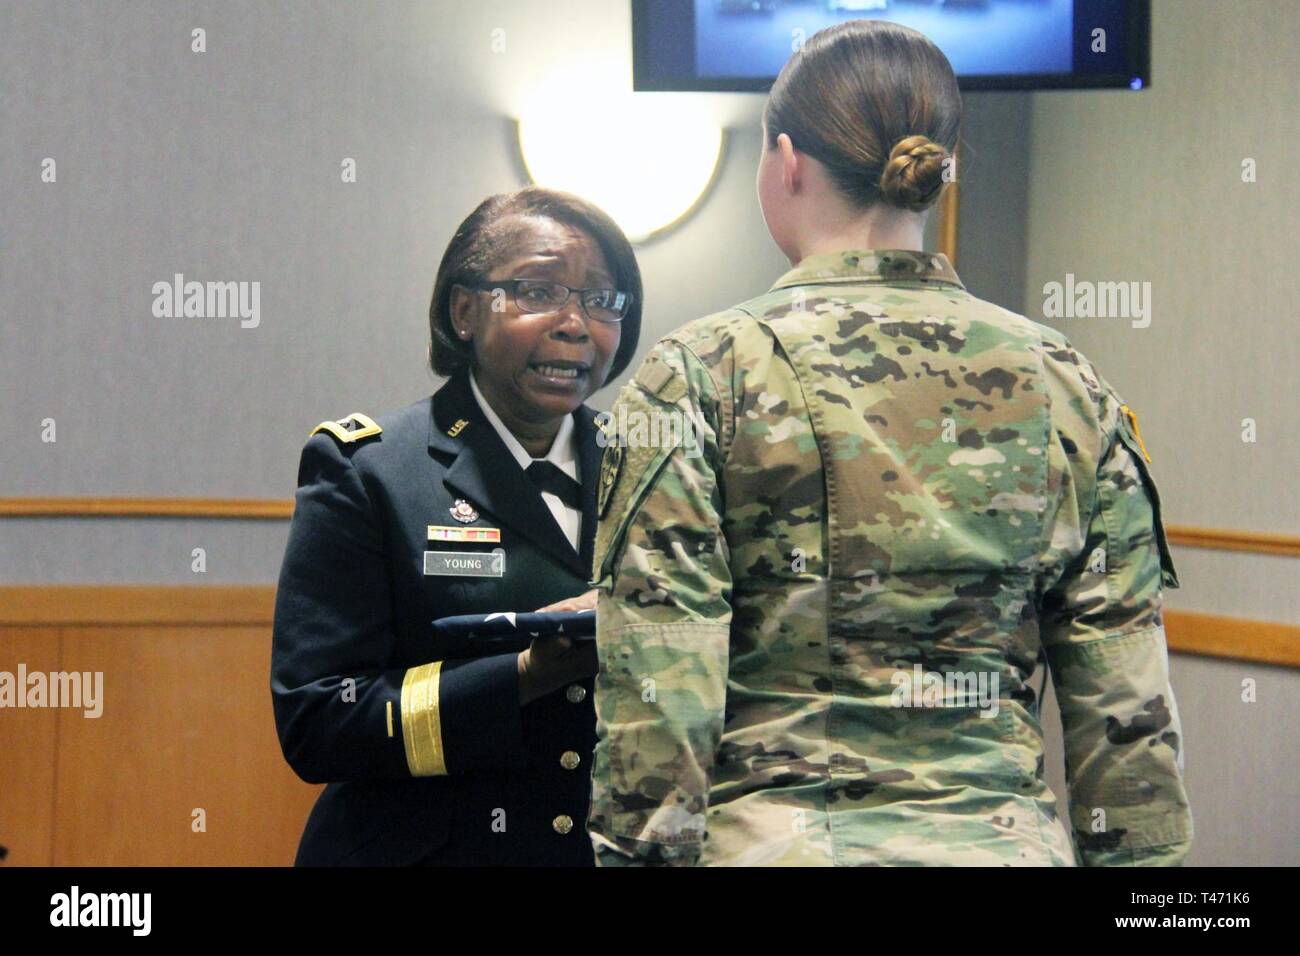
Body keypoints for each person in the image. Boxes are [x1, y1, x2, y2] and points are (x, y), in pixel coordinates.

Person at [587, 20, 1192, 866]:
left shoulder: (698, 376)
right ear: (946, 172)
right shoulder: (1069, 386)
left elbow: (661, 708)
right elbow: (1126, 717)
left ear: (786, 161)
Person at [271, 186, 641, 865]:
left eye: (601, 299)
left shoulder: (652, 467)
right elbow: (318, 722)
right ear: (465, 310)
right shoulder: (372, 468)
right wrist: (527, 672)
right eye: (537, 291)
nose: (575, 323)